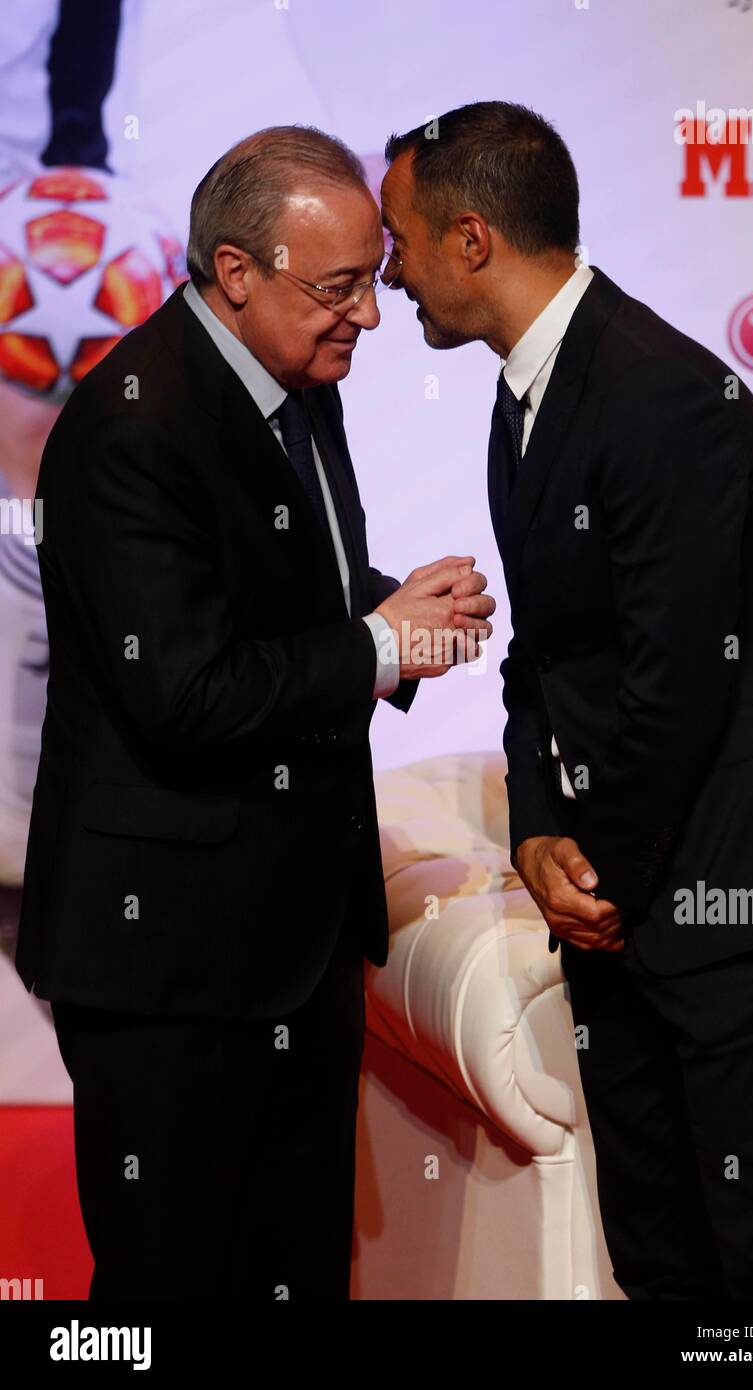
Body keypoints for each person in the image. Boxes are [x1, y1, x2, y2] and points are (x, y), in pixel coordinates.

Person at [380, 100, 753, 1300]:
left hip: (729, 901)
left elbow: (677, 690)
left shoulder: (657, 399)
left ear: (472, 239)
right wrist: (542, 829)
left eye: (400, 241)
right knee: (655, 1252)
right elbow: (543, 659)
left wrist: (590, 865)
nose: (389, 277)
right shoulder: (524, 394)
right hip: (625, 897)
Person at [15, 124, 494, 1301]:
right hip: (166, 962)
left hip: (296, 945)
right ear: (236, 271)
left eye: (370, 284)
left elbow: (292, 603)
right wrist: (376, 645)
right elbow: (185, 694)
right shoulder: (134, 427)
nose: (369, 318)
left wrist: (399, 612)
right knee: (169, 1284)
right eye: (337, 288)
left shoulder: (297, 382)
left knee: (293, 1271)